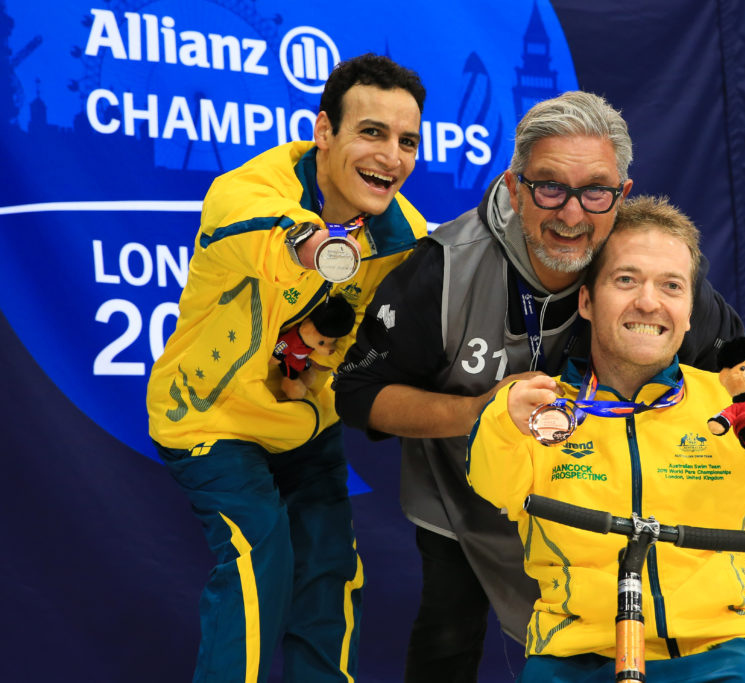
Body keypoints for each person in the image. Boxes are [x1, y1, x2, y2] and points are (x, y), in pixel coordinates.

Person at [334, 91, 745, 681]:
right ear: (513, 187)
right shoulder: (444, 267)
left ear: (621, 196)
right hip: (468, 496)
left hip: (603, 499)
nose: (572, 215)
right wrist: (482, 412)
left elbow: (734, 357)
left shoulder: (647, 268)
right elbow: (357, 393)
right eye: (549, 186)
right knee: (448, 638)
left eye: (595, 192)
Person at [466, 195, 745, 682]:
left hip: (724, 652)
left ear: (688, 313)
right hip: (577, 657)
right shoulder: (540, 408)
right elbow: (494, 485)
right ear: (586, 301)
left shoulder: (730, 402)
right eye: (626, 280)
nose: (648, 301)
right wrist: (502, 422)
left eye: (671, 286)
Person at [146, 53, 427, 683]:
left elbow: (368, 332)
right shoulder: (248, 190)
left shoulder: (402, 237)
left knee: (331, 569)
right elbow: (271, 233)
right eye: (372, 132)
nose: (391, 156)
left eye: (407, 141)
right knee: (257, 553)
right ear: (324, 131)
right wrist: (317, 246)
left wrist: (326, 348)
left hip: (303, 423)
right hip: (209, 420)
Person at [273, 295, 356, 400]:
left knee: (310, 377)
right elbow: (278, 351)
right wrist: (275, 357)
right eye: (322, 342)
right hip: (289, 361)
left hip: (304, 360)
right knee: (293, 383)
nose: (329, 348)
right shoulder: (297, 337)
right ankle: (291, 389)